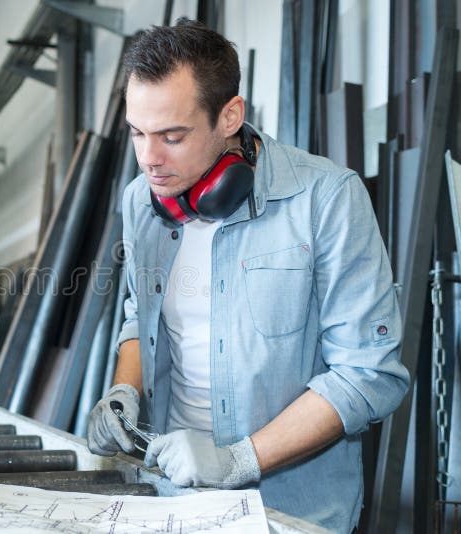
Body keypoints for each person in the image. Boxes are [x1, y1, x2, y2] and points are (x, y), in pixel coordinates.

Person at [86, 18, 409, 533]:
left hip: (292, 512)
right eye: (137, 133)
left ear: (230, 115)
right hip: (173, 499)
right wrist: (125, 390)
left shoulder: (324, 199)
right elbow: (138, 315)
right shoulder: (140, 203)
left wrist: (239, 460)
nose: (149, 159)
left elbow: (368, 375)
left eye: (172, 136)